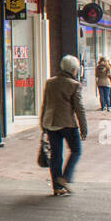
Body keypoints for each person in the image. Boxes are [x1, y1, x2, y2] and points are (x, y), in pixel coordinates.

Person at [40, 54, 89, 196]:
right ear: (73, 70)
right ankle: (65, 178)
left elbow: (45, 103)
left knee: (56, 156)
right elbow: (79, 108)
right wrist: (83, 127)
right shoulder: (74, 85)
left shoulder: (50, 82)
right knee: (76, 150)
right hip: (67, 123)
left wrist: (43, 123)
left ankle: (57, 187)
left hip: (51, 123)